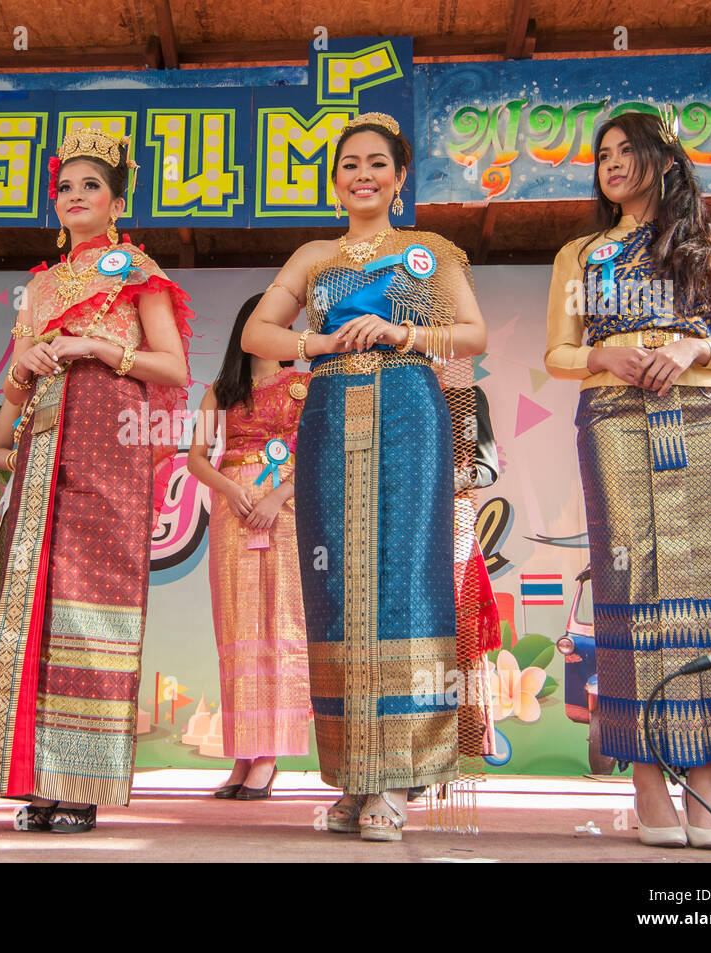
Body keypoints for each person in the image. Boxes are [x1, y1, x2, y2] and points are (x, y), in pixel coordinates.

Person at [242, 112, 489, 841]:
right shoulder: (315, 255)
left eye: (377, 163)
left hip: (410, 410)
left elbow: (470, 336)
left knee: (404, 578)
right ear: (335, 179)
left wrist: (399, 332)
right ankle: (356, 775)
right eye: (349, 164)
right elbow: (260, 333)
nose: (362, 175)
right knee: (338, 585)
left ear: (400, 176)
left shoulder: (430, 251)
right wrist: (317, 342)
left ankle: (399, 781)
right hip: (327, 413)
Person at [544, 110, 711, 850]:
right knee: (628, 584)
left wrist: (693, 347)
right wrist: (605, 356)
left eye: (624, 151)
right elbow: (559, 353)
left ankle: (705, 780)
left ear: (663, 159)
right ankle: (645, 781)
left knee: (707, 587)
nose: (609, 163)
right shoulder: (582, 254)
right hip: (614, 418)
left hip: (703, 421)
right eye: (600, 154)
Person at [0, 127, 193, 833]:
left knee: (92, 605)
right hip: (43, 452)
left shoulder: (134, 268)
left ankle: (83, 780)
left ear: (117, 199)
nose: (75, 196)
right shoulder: (40, 284)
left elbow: (173, 369)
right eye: (65, 186)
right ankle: (36, 778)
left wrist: (95, 345)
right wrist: (24, 369)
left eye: (90, 186)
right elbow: (16, 383)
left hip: (106, 446)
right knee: (35, 600)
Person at [187, 294, 310, 800]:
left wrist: (279, 494)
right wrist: (229, 487)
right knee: (237, 628)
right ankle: (243, 753)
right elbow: (197, 458)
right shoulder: (221, 391)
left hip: (284, 512)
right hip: (232, 515)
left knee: (279, 623)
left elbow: (316, 450)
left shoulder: (306, 383)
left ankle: (270, 755)